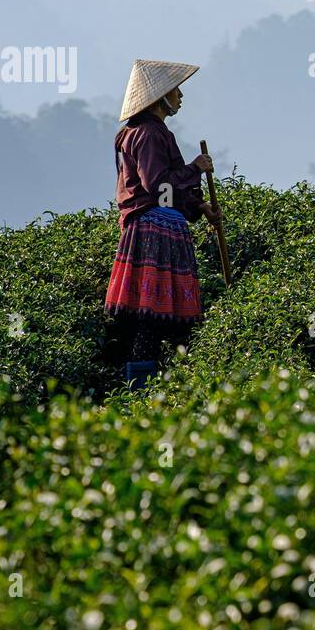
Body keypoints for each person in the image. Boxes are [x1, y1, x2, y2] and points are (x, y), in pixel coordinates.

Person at [105, 59, 221, 389]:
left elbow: (171, 195)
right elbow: (159, 187)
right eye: (175, 91)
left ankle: (178, 386)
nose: (181, 96)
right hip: (153, 234)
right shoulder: (146, 135)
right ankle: (138, 391)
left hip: (163, 230)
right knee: (150, 316)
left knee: (172, 318)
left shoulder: (155, 133)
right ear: (159, 99)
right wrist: (195, 168)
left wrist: (200, 207)